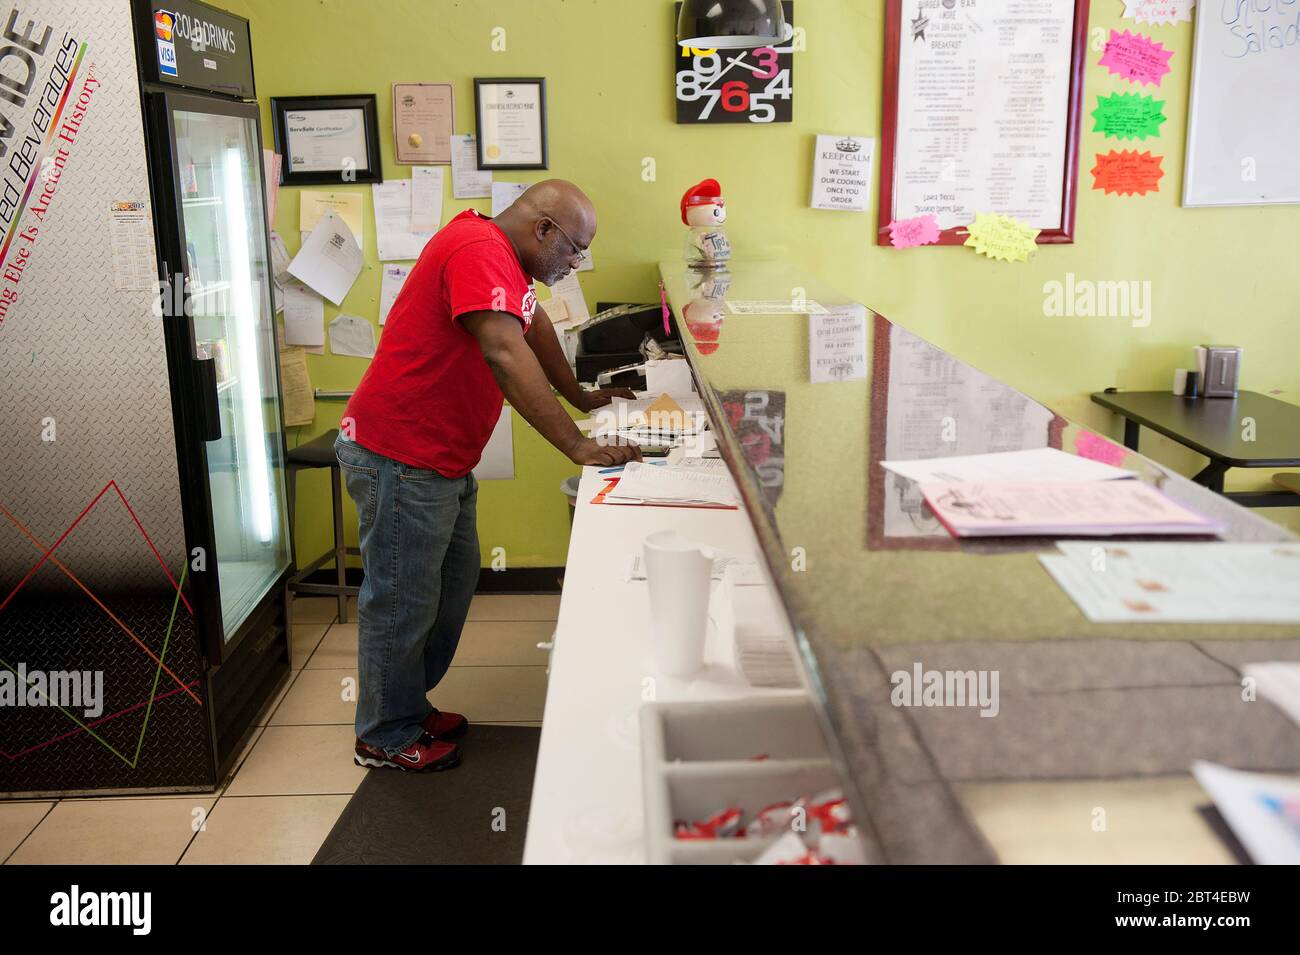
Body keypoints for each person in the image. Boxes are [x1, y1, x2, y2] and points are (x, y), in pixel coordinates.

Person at [336, 180, 640, 772]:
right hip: (401, 457)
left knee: (447, 588)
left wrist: (579, 394)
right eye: (574, 250)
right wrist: (575, 443)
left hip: (439, 458)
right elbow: (504, 351)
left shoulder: (499, 255)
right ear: (543, 229)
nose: (576, 263)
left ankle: (404, 705)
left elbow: (535, 328)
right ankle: (383, 732)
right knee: (401, 601)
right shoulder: (478, 249)